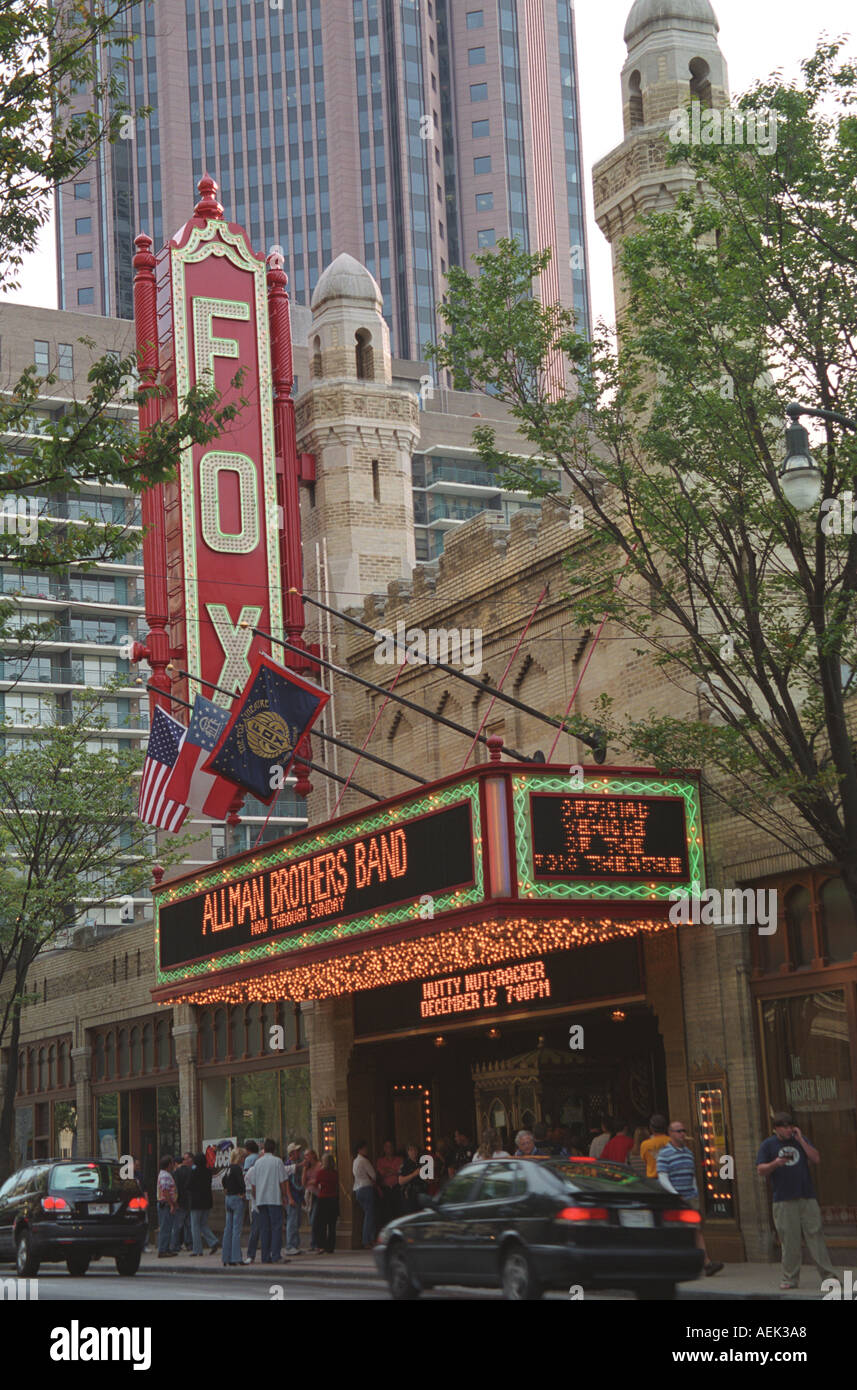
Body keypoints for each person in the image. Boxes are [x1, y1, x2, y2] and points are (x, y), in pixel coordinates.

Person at [756, 1110, 840, 1291]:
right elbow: (760, 1169)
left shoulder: (800, 1140)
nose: (788, 1130)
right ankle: (790, 1278)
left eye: (790, 1126)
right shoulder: (768, 1145)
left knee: (815, 1237)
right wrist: (775, 1163)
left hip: (806, 1196)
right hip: (783, 1199)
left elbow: (816, 1158)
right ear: (776, 1129)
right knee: (789, 1240)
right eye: (784, 1127)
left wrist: (801, 1140)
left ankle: (829, 1277)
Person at [656, 1120, 723, 1277]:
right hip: (675, 1200)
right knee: (676, 1231)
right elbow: (662, 1177)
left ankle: (706, 1263)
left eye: (683, 1131)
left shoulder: (688, 1152)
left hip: (690, 1197)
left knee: (696, 1230)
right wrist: (674, 1194)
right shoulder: (664, 1153)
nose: (682, 1134)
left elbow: (691, 1174)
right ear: (670, 1134)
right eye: (678, 1131)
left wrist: (695, 1192)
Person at [248, 1137, 290, 1265]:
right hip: (274, 1198)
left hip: (261, 1200)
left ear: (264, 1149)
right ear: (274, 1149)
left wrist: (256, 1197)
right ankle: (276, 1255)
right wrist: (284, 1196)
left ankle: (265, 1256)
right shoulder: (277, 1162)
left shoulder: (258, 1163)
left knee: (264, 1228)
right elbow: (283, 1181)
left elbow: (253, 1184)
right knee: (276, 1227)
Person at [188, 1151, 219, 1256]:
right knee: (203, 1224)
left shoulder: (194, 1172)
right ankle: (213, 1241)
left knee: (195, 1226)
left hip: (196, 1202)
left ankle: (197, 1250)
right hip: (207, 1201)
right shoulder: (208, 1172)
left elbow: (189, 1185)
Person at [221, 1146, 247, 1267]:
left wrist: (227, 1189)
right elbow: (242, 1183)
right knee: (236, 1229)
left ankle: (226, 1257)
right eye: (243, 1157)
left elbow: (223, 1180)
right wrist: (242, 1193)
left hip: (228, 1198)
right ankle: (236, 1257)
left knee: (228, 1229)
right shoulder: (237, 1168)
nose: (244, 1159)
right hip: (236, 1198)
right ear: (239, 1157)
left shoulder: (228, 1168)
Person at [352, 1139, 377, 1248]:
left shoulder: (355, 1161)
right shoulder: (364, 1161)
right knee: (369, 1215)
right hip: (366, 1188)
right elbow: (373, 1175)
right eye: (365, 1148)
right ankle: (367, 1240)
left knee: (367, 1214)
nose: (366, 1150)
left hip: (357, 1189)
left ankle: (368, 1239)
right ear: (360, 1149)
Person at [314, 1151, 339, 1253]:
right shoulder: (335, 1173)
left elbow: (316, 1184)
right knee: (332, 1225)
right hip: (333, 1199)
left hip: (323, 1199)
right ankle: (331, 1246)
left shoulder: (320, 1173)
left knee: (321, 1224)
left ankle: (322, 1245)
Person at [284, 1141, 306, 1254]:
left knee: (296, 1221)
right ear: (292, 1153)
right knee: (292, 1221)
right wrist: (290, 1198)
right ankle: (290, 1245)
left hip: (297, 1196)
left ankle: (295, 1244)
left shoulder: (296, 1165)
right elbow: (286, 1183)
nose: (299, 1153)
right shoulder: (288, 1165)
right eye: (297, 1151)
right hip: (292, 1197)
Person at [170, 1151, 193, 1252]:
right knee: (188, 1225)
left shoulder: (176, 1173)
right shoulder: (191, 1171)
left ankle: (175, 1245)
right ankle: (189, 1244)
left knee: (177, 1225)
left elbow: (175, 1188)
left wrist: (175, 1201)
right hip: (189, 1201)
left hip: (180, 1201)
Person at [376, 1139, 403, 1226]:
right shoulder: (380, 1161)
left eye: (390, 1147)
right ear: (384, 1148)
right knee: (386, 1214)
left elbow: (400, 1172)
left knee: (398, 1212)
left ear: (393, 1148)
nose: (389, 1149)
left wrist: (388, 1170)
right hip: (385, 1190)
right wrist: (394, 1171)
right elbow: (381, 1173)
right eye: (387, 1147)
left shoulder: (399, 1159)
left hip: (397, 1188)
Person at [156, 1155, 179, 1258]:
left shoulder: (165, 1174)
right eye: (172, 1163)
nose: (173, 1165)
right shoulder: (165, 1175)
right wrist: (171, 1204)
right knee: (165, 1228)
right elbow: (165, 1191)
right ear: (169, 1164)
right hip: (165, 1204)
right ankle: (163, 1250)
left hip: (166, 1204)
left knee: (168, 1227)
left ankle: (166, 1248)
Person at [242, 1140, 260, 1265]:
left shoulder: (249, 1160)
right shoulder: (259, 1158)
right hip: (262, 1195)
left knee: (255, 1224)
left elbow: (246, 1177)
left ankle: (251, 1254)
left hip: (252, 1196)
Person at [398, 1141, 428, 1210]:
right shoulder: (405, 1164)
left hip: (421, 1193)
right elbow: (400, 1181)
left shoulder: (421, 1163)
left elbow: (428, 1179)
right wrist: (413, 1174)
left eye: (415, 1149)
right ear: (407, 1152)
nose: (413, 1152)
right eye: (411, 1150)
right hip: (410, 1194)